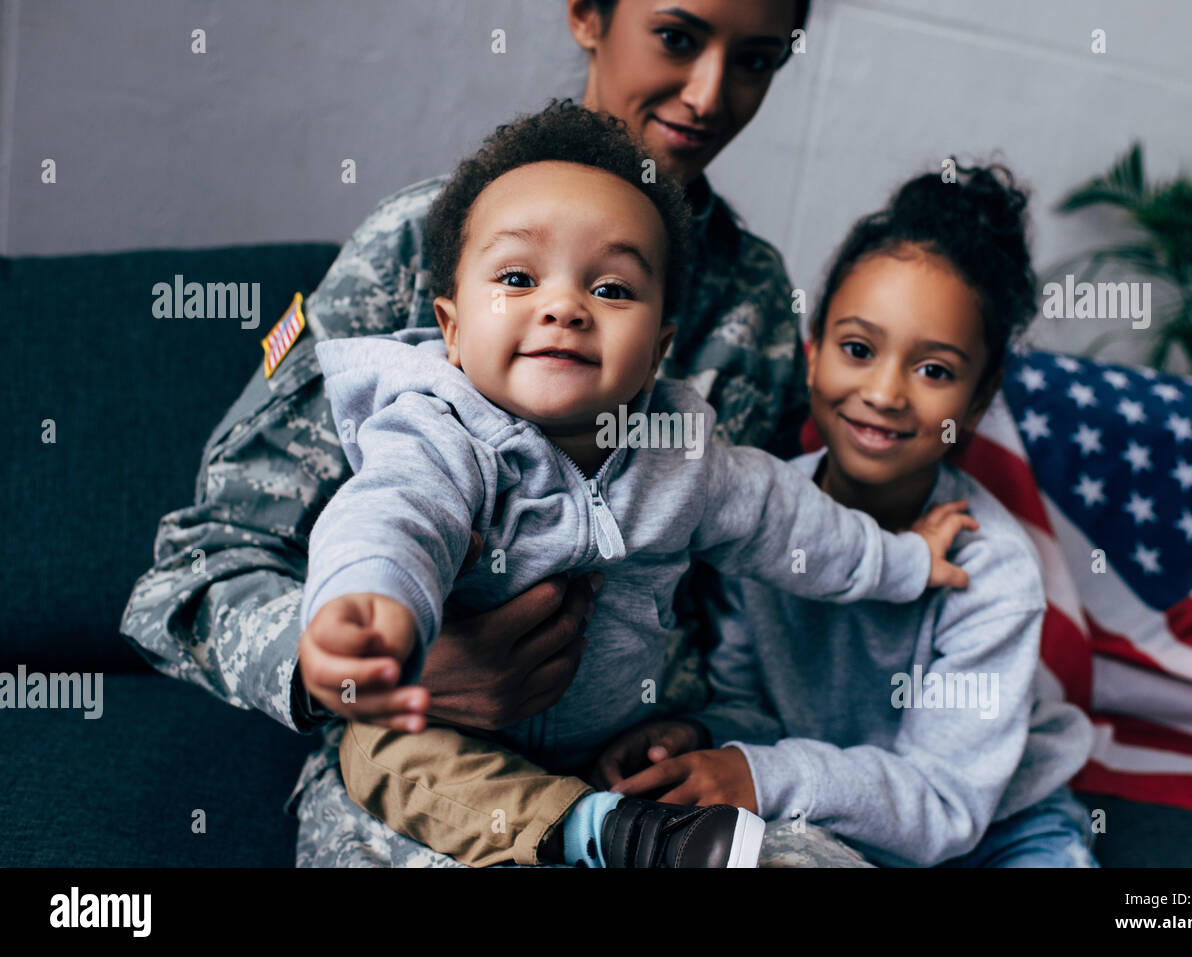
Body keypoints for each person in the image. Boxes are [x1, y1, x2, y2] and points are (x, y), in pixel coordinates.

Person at [118, 0, 863, 867]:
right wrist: (389, 667)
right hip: (432, 778)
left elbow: (746, 578)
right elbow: (191, 576)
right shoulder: (420, 244)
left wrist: (699, 720)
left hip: (652, 775)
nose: (708, 94)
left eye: (757, 59)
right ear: (588, 15)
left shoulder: (758, 300)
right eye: (678, 36)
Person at [309, 101, 976, 869]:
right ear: (451, 329)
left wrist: (908, 561)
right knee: (384, 753)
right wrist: (369, 610)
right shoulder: (438, 433)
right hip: (454, 740)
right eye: (520, 276)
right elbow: (390, 516)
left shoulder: (686, 459)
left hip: (610, 740)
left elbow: (798, 524)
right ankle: (596, 830)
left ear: (659, 348)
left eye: (614, 289)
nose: (564, 307)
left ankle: (630, 821)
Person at [596, 164, 1100, 867]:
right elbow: (757, 711)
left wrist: (761, 774)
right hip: (832, 810)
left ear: (979, 402)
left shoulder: (988, 567)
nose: (886, 392)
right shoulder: (767, 519)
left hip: (994, 822)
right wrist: (701, 738)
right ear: (812, 356)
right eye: (858, 350)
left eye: (935, 370)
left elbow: (945, 805)